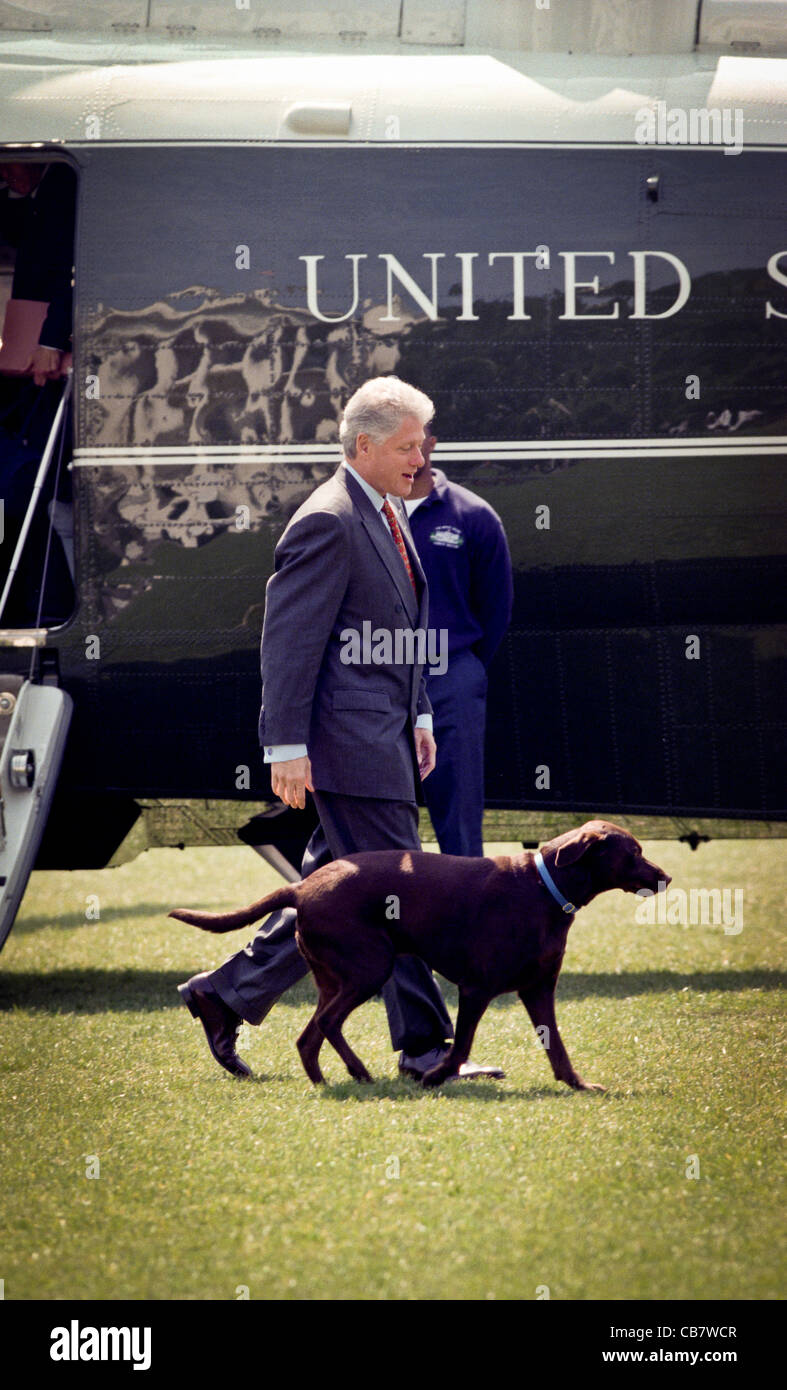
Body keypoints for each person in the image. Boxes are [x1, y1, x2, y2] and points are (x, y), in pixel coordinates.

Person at [177, 377, 503, 1082]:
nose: (421, 458)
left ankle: (223, 993)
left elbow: (401, 632)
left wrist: (418, 713)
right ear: (364, 445)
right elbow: (289, 643)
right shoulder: (328, 519)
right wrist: (287, 747)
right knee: (402, 892)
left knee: (336, 893)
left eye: (422, 443)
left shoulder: (385, 510)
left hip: (383, 733)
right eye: (407, 445)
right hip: (346, 746)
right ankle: (423, 1049)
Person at [405, 432, 513, 857]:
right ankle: (367, 914)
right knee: (370, 807)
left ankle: (469, 918)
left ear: (430, 441)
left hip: (450, 676)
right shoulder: (360, 512)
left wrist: (458, 665)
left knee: (459, 815)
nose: (410, 452)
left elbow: (496, 609)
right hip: (375, 669)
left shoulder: (473, 515)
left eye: (414, 438)